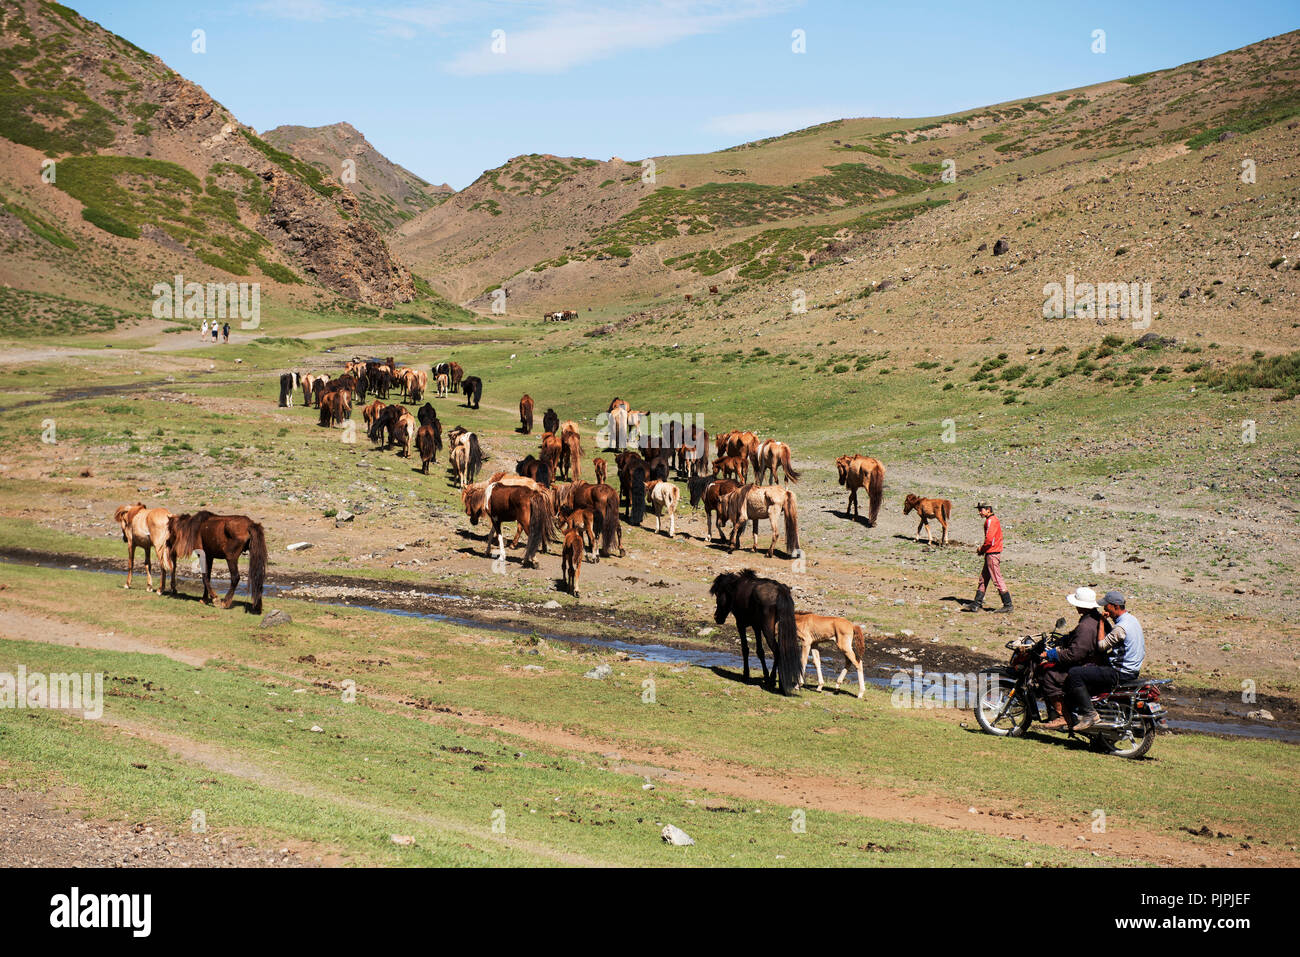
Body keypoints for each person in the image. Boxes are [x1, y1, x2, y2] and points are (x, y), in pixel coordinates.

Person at [1066, 591, 1146, 731]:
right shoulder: (1132, 620)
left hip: (1119, 672)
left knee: (1075, 674)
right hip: (1132, 670)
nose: (1104, 610)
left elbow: (1102, 646)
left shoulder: (1120, 628)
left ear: (1115, 606)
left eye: (1107, 607)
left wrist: (1102, 622)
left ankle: (1090, 714)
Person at [1039, 586, 1108, 730]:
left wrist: (1051, 654)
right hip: (1097, 663)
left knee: (1050, 676)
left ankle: (1063, 716)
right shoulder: (1094, 619)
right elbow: (1077, 639)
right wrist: (1063, 639)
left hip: (1087, 665)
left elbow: (1074, 654)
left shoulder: (1085, 626)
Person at [963, 502, 1011, 612]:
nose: (979, 512)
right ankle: (976, 604)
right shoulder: (992, 520)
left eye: (981, 510)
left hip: (992, 553)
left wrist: (981, 549)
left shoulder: (991, 521)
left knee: (997, 579)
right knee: (983, 578)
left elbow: (989, 540)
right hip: (991, 553)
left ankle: (1008, 604)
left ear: (988, 509)